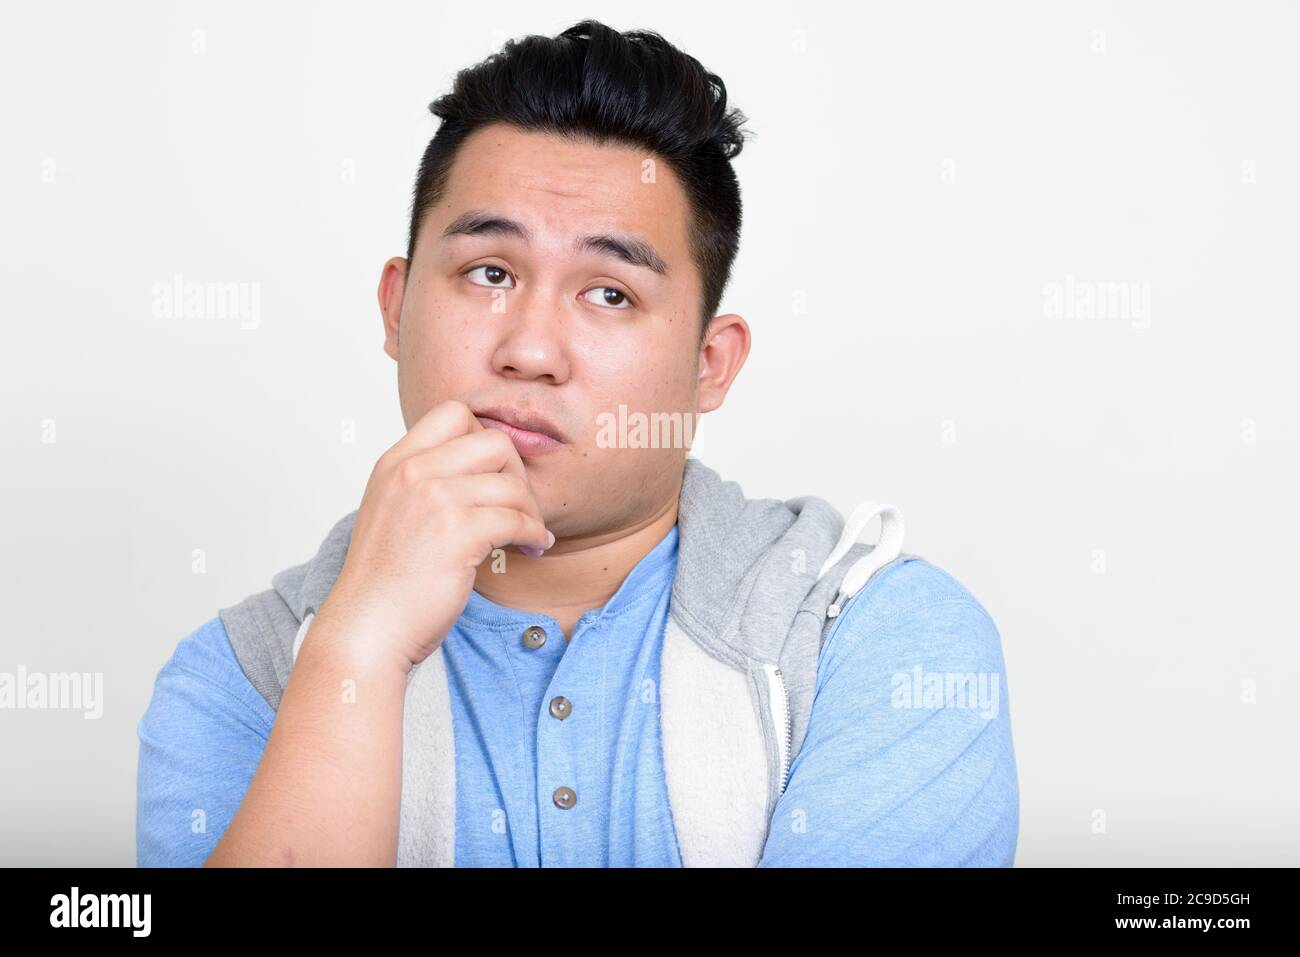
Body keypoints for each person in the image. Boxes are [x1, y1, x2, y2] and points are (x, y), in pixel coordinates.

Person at [136, 18, 1019, 868]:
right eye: (490, 272)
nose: (528, 349)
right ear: (396, 307)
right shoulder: (239, 679)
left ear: (710, 366)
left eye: (609, 294)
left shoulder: (867, 637)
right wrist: (355, 648)